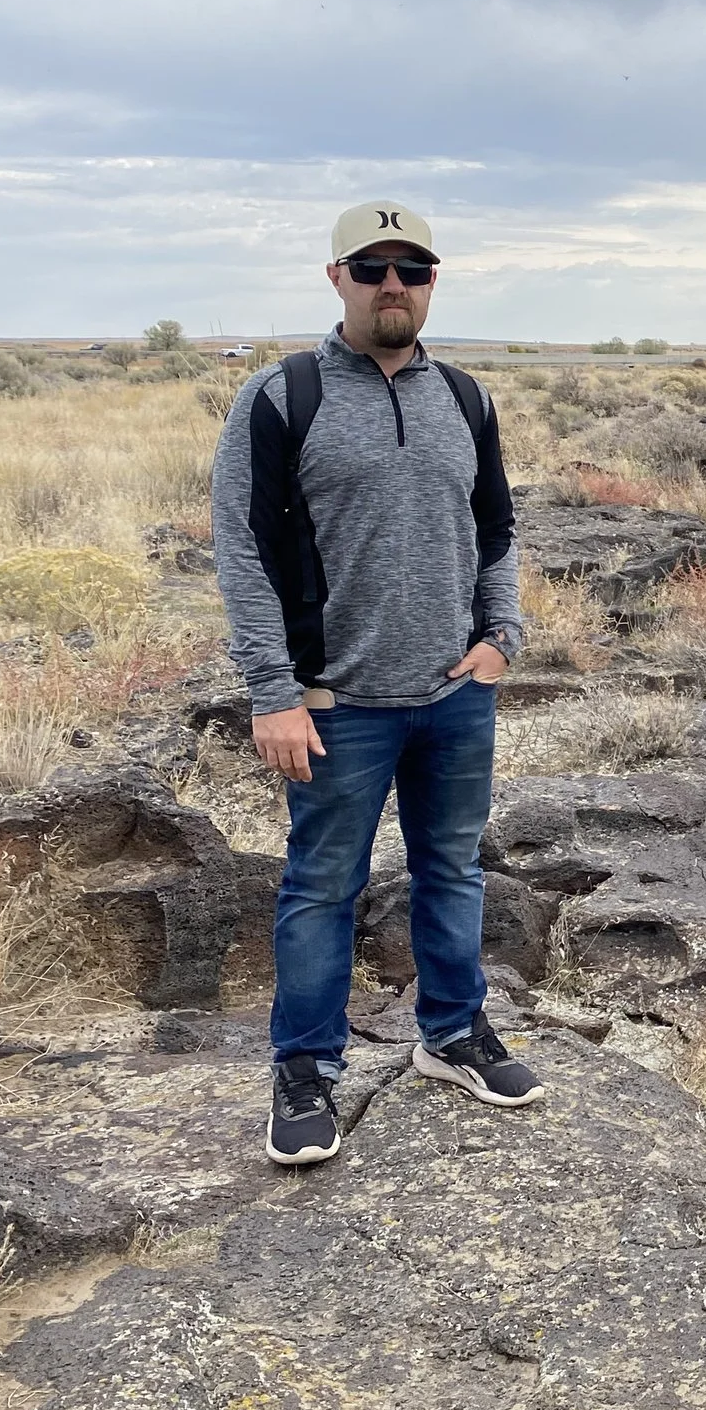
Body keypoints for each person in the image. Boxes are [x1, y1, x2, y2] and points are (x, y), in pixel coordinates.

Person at [211, 201, 542, 1166]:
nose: (394, 285)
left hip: (453, 698)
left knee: (452, 868)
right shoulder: (285, 396)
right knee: (322, 887)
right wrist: (273, 690)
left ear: (433, 282)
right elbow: (241, 549)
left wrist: (501, 639)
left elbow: (496, 532)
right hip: (334, 705)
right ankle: (305, 1071)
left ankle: (453, 1033)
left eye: (415, 269)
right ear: (338, 278)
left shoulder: (466, 399)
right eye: (373, 268)